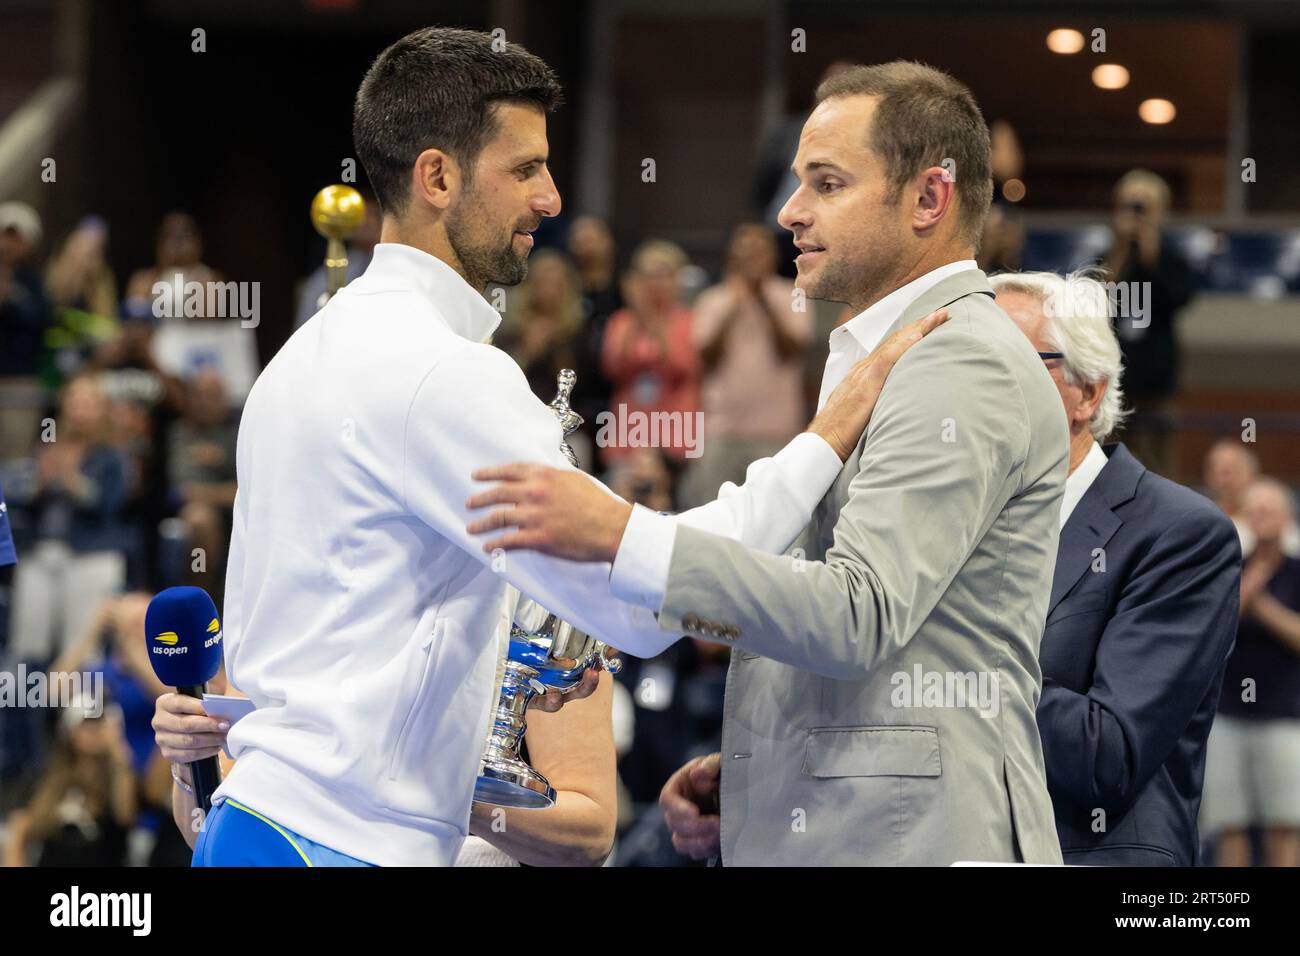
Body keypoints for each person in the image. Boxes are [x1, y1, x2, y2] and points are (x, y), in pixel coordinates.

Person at [163, 27, 935, 868]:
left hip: (265, 829)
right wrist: (823, 441)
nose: (553, 198)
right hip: (338, 846)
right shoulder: (441, 376)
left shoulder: (299, 357)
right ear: (437, 177)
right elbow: (633, 607)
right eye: (526, 168)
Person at [468, 61, 1069, 866]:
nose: (790, 212)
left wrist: (624, 536)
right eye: (798, 183)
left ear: (930, 198)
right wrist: (760, 772)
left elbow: (859, 614)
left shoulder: (957, 358)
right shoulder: (886, 351)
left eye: (827, 184)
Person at [992, 270, 1240, 865]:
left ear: (1089, 392)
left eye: (1010, 365)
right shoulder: (949, 529)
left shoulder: (1179, 533)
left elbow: (1107, 753)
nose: (977, 390)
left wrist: (950, 666)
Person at [1202, 477, 1300, 866]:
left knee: (1283, 824)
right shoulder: (1231, 569)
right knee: (1230, 824)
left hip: (1285, 718)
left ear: (1287, 517)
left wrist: (1261, 605)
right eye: (1253, 511)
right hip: (1228, 715)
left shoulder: (1296, 571)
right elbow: (1213, 632)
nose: (1260, 519)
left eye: (1268, 511)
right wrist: (1248, 590)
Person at [680, 222, 811, 509]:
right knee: (709, 511)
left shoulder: (794, 294)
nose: (752, 258)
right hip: (721, 428)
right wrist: (734, 307)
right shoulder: (714, 299)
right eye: (745, 251)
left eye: (759, 251)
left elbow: (793, 349)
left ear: (772, 255)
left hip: (776, 429)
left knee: (773, 516)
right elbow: (705, 356)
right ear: (732, 256)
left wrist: (762, 300)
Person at [1102, 169, 1194, 478]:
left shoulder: (1171, 260)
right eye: (1129, 206)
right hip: (1112, 381)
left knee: (1159, 466)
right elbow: (1092, 297)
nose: (1136, 214)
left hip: (1156, 383)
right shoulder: (1108, 257)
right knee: (1110, 465)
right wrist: (1120, 248)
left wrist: (1150, 251)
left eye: (1144, 207)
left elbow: (1181, 298)